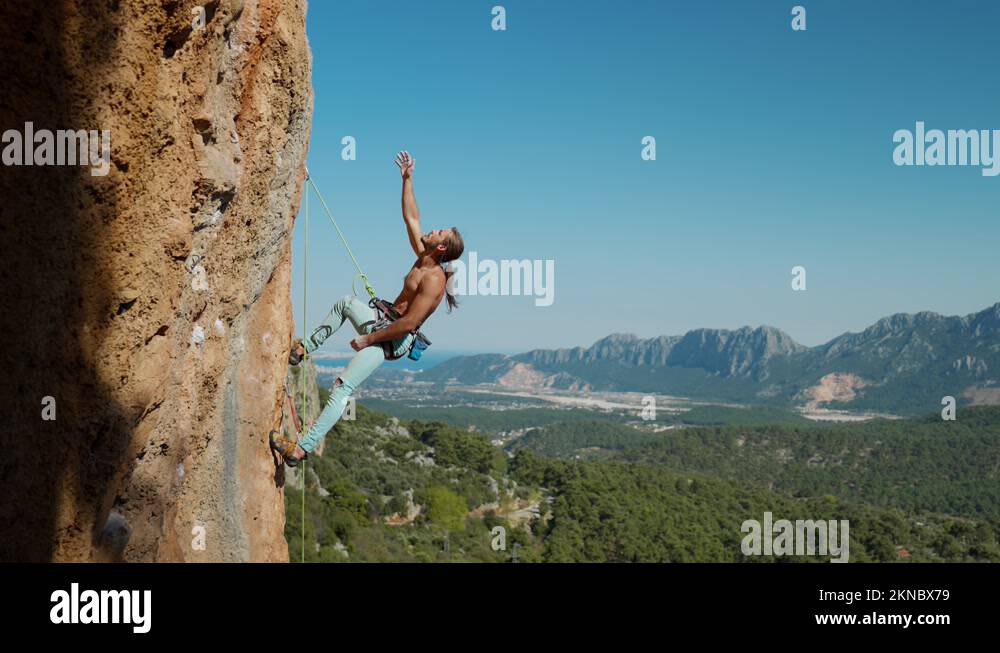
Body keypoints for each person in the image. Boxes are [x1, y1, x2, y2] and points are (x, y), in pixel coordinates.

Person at [271, 151, 464, 466]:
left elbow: (409, 322)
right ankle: (303, 349)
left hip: (392, 339)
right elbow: (412, 217)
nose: (433, 229)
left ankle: (301, 449)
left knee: (342, 388)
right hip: (383, 322)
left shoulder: (434, 280)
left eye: (439, 232)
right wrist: (407, 179)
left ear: (441, 247)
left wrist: (367, 340)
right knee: (346, 304)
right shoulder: (422, 256)